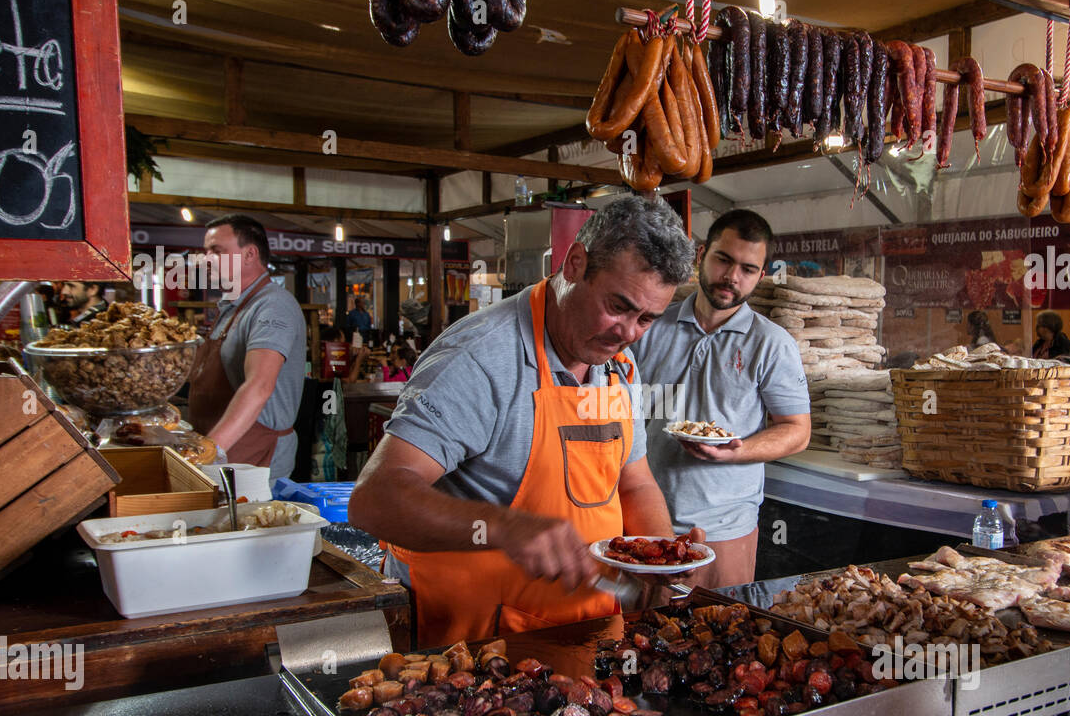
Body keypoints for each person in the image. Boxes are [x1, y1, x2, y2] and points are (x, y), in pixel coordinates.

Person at [348, 195, 697, 646]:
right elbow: (374, 500)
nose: (628, 332)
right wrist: (503, 527)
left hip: (586, 634)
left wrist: (658, 560)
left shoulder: (617, 367)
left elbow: (634, 482)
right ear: (574, 263)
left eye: (647, 319)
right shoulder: (480, 358)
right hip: (472, 648)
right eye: (618, 306)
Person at [632, 210, 810, 589]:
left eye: (747, 269)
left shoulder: (771, 344)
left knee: (717, 638)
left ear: (761, 276)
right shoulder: (649, 326)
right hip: (642, 520)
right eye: (723, 260)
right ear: (701, 255)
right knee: (638, 637)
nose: (732, 277)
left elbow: (797, 430)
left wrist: (735, 450)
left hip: (724, 529)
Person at [187, 213, 307, 479]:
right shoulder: (232, 307)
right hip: (225, 456)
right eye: (205, 251)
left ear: (250, 254)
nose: (206, 259)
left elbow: (259, 386)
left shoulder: (273, 306)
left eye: (216, 251)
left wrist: (205, 453)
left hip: (254, 459)